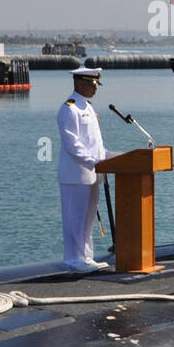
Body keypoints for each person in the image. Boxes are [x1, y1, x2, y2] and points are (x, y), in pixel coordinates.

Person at [58, 67, 120, 274]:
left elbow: (97, 146)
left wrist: (117, 157)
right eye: (93, 84)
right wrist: (96, 162)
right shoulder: (69, 109)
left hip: (94, 173)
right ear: (79, 84)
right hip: (76, 175)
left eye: (96, 85)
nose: (96, 89)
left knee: (88, 220)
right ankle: (74, 262)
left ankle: (87, 258)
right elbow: (73, 145)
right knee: (74, 220)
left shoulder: (89, 108)